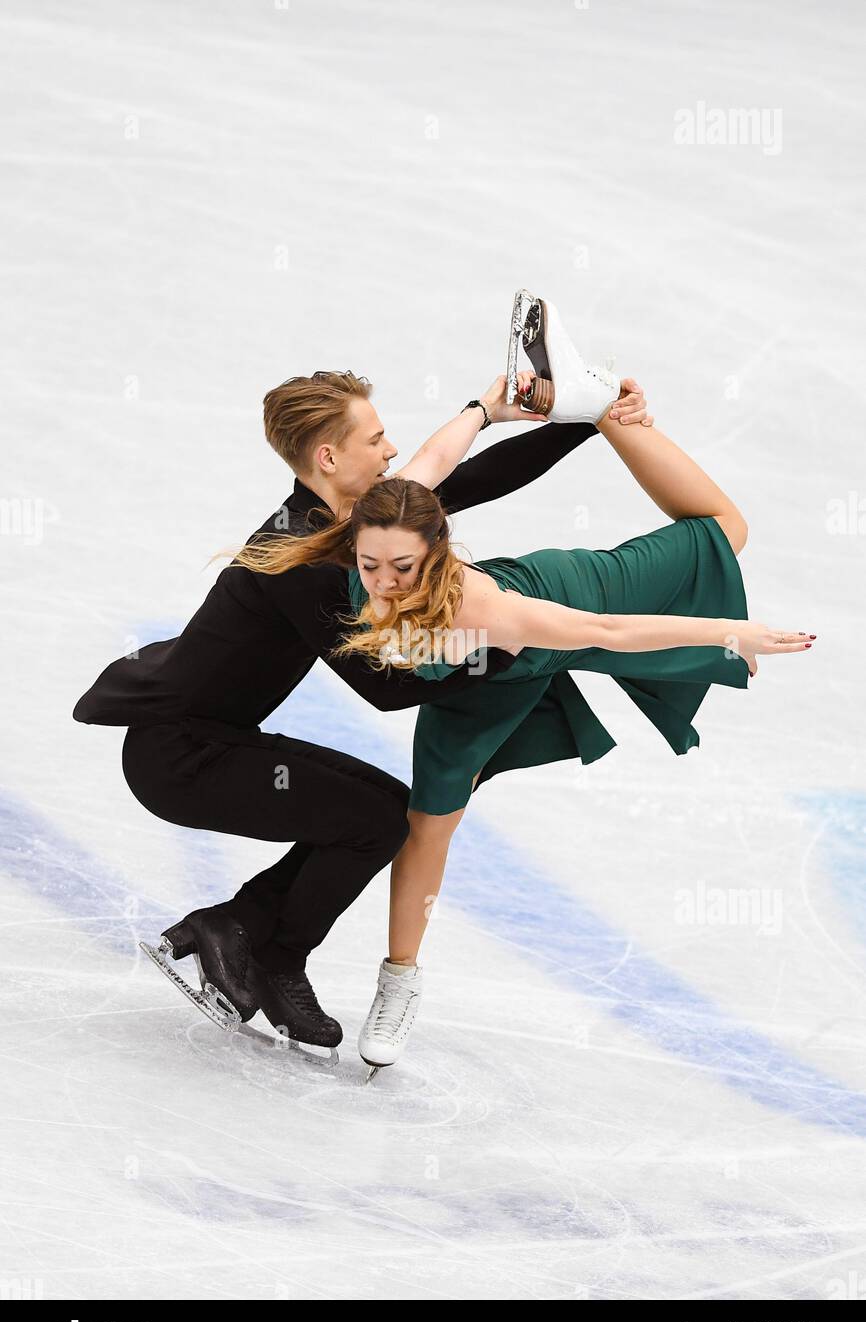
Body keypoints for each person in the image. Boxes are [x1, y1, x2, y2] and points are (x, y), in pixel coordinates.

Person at [229, 314, 816, 1074]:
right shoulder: (374, 533)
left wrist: (725, 636)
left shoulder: (488, 605)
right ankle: (398, 981)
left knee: (725, 532)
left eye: (400, 568)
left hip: (557, 612)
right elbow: (437, 459)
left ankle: (604, 403)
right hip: (479, 685)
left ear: (435, 551)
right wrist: (483, 406)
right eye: (370, 566)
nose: (382, 583)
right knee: (429, 821)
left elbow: (606, 631)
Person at [72, 364, 652, 1051]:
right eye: (375, 439)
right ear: (328, 457)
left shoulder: (354, 516)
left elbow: (471, 482)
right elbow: (385, 687)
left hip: (210, 740)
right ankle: (269, 950)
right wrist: (503, 645)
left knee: (379, 814)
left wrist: (587, 421)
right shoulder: (299, 555)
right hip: (181, 756)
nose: (389, 450)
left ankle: (239, 931)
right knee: (376, 818)